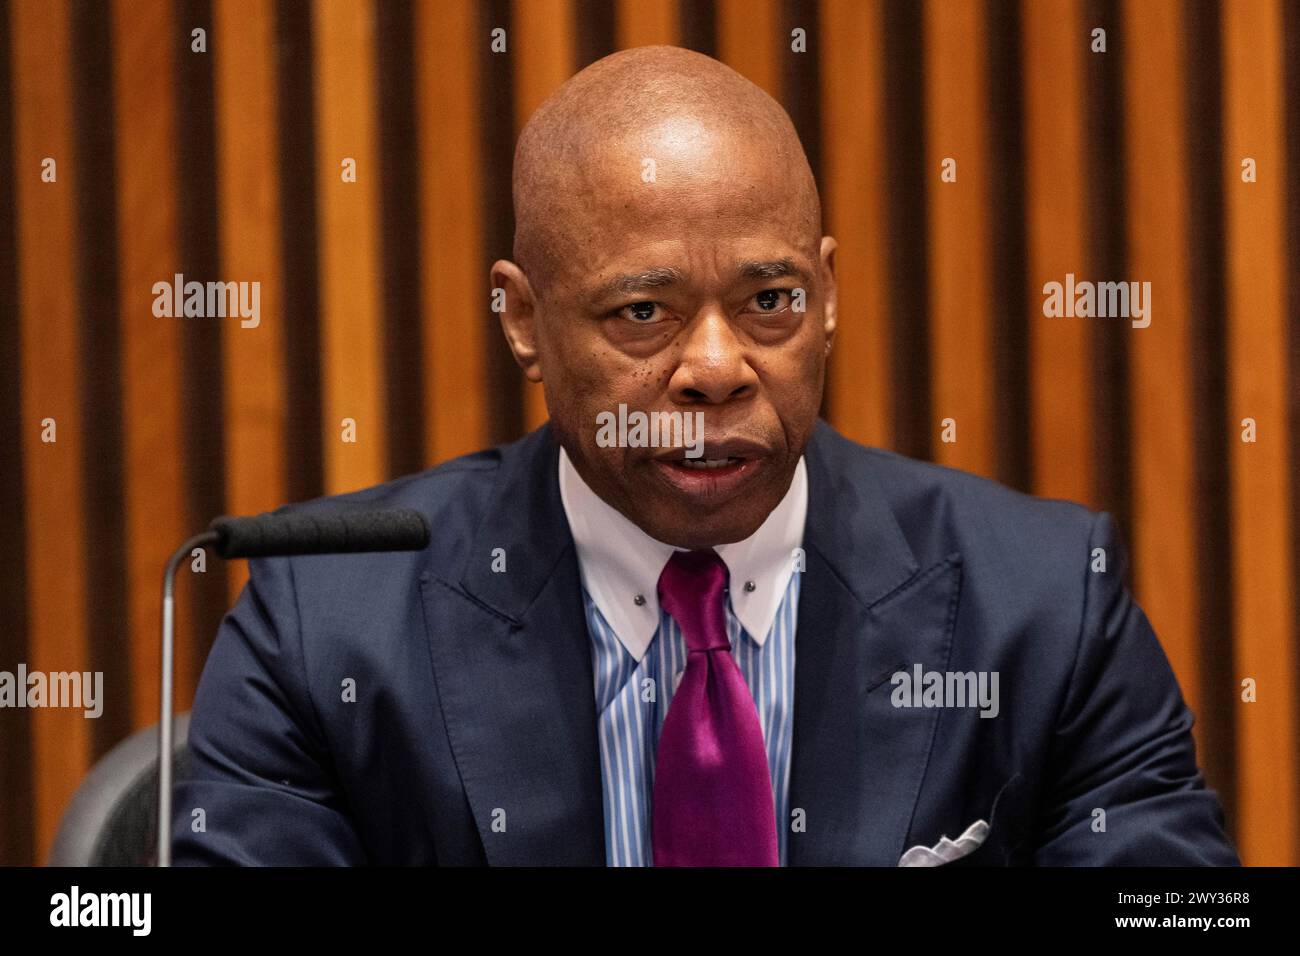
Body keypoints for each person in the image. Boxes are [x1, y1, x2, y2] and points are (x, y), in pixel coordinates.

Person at [173, 45, 1238, 866]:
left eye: (770, 301)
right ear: (523, 320)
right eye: (644, 311)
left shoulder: (1044, 605)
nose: (718, 367)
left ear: (827, 296)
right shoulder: (329, 630)